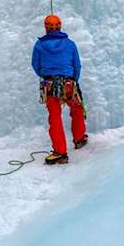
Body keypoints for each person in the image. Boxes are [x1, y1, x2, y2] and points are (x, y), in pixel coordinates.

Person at [32, 13, 87, 164]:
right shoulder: (69, 44)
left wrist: (45, 75)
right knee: (77, 109)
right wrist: (74, 79)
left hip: (50, 85)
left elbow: (35, 66)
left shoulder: (40, 45)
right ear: (60, 26)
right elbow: (77, 65)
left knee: (55, 118)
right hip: (69, 84)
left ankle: (60, 152)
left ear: (46, 28)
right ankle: (79, 138)